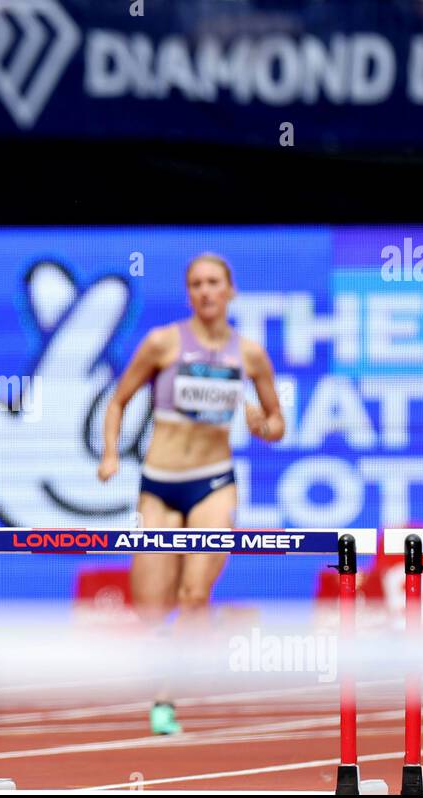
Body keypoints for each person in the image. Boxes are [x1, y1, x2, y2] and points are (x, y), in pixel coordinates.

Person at [98, 254, 285, 735]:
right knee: (151, 605)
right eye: (197, 284)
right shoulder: (162, 343)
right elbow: (117, 401)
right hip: (159, 485)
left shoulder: (250, 354)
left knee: (194, 593)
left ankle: (165, 699)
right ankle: (190, 645)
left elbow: (277, 422)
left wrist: (263, 426)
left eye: (214, 283)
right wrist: (111, 455)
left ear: (230, 290)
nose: (206, 291)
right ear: (189, 293)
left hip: (214, 483)